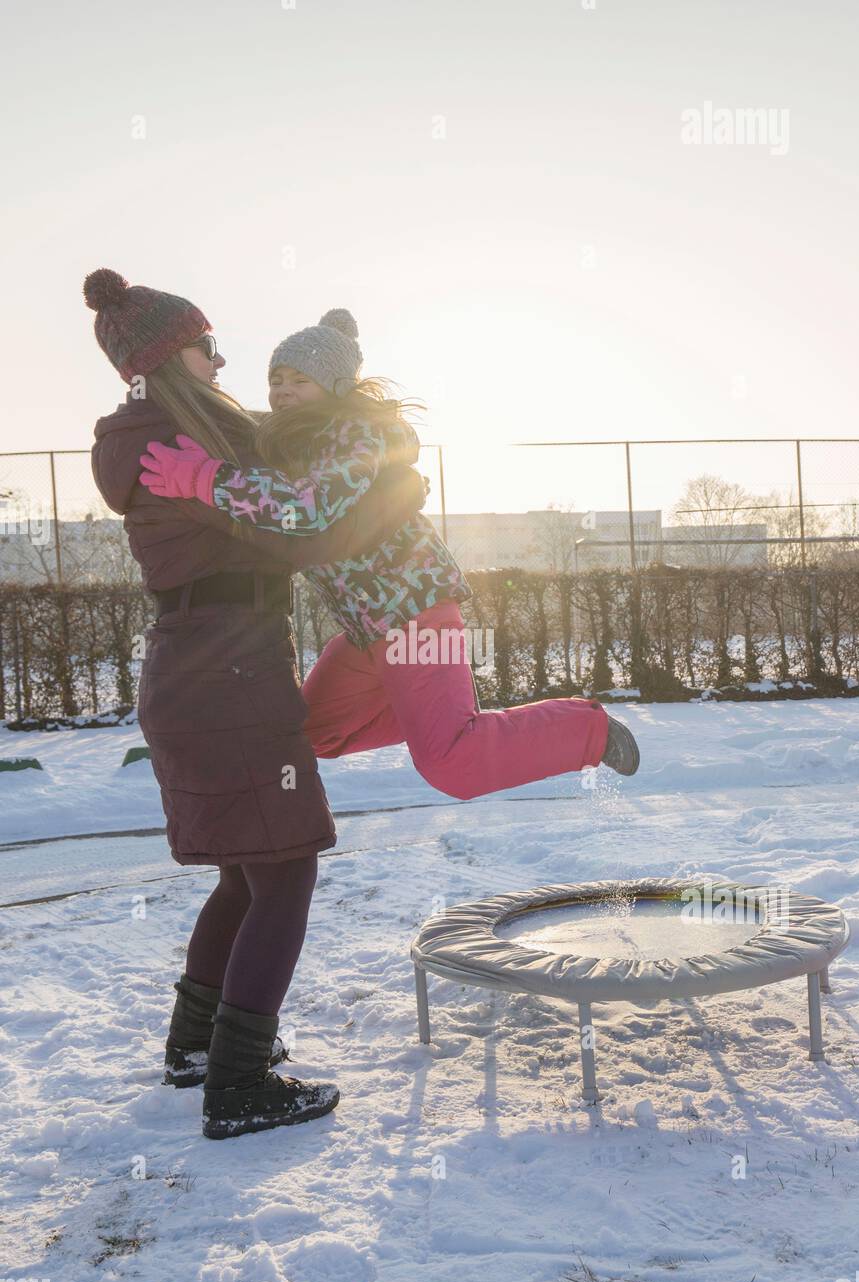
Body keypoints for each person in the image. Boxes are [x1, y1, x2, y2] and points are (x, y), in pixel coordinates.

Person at [85, 271, 427, 1140]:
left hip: (192, 673)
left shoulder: (152, 435)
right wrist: (392, 494)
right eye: (207, 345)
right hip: (230, 679)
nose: (222, 357)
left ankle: (195, 1050)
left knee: (246, 872)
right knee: (287, 868)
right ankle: (238, 1087)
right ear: (170, 356)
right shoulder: (183, 441)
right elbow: (303, 531)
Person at [139, 308, 640, 803]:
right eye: (276, 379)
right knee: (317, 731)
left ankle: (586, 730)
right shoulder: (297, 441)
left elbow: (307, 506)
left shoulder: (357, 436)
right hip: (367, 631)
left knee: (454, 766)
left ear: (336, 388)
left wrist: (206, 479)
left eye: (299, 380)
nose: (283, 391)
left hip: (415, 614)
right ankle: (443, 715)